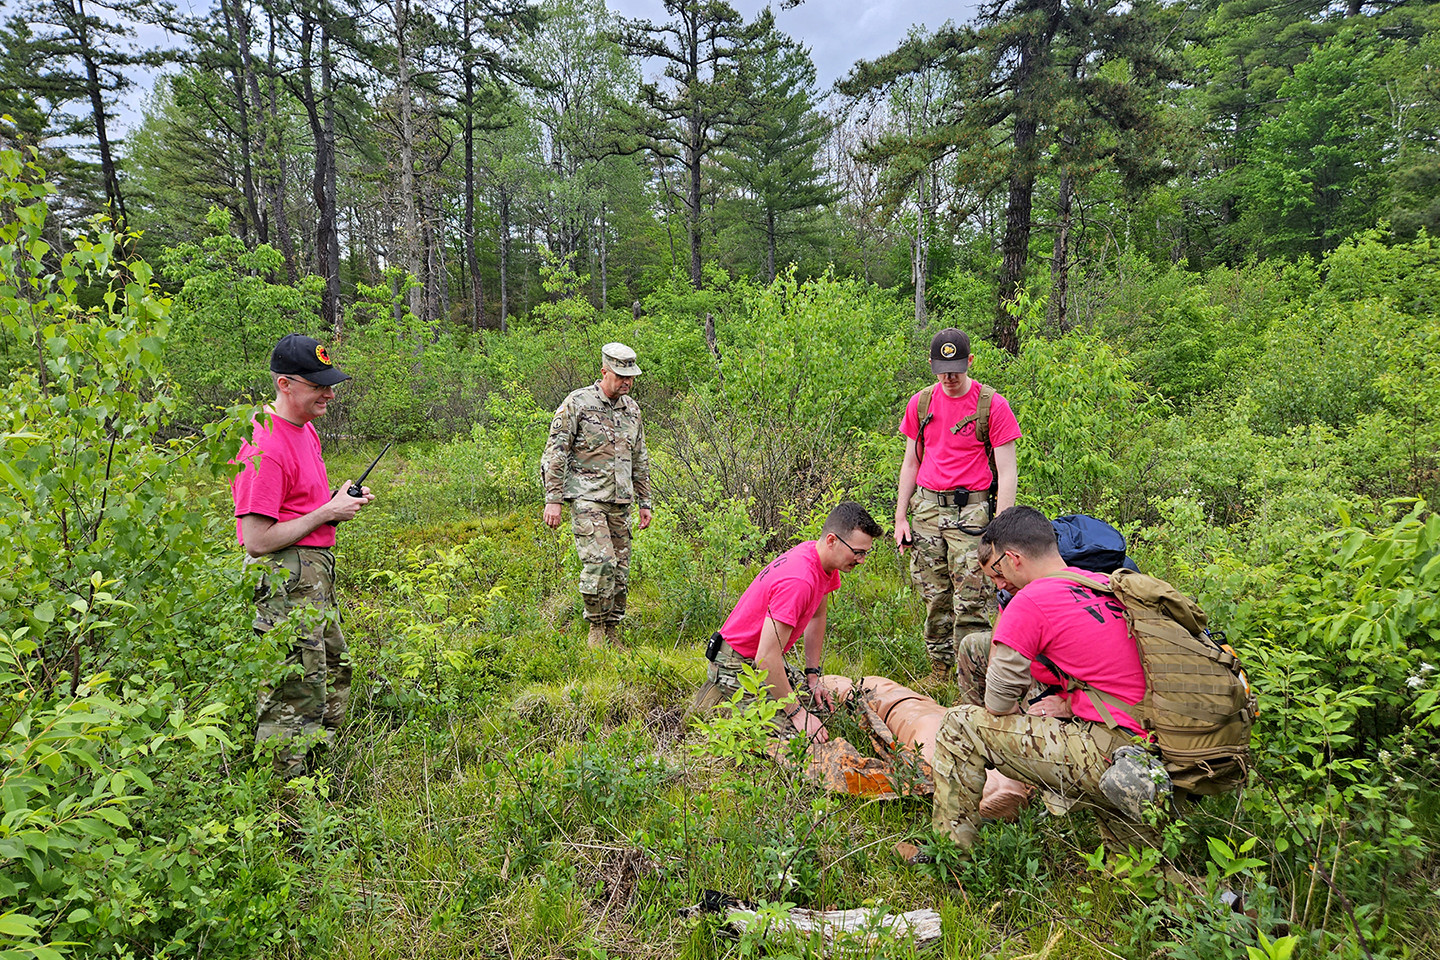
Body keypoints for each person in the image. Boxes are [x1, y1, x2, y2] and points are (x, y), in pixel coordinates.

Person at [930, 505, 1166, 852]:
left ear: (1013, 559)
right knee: (1136, 868)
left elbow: (997, 703)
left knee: (961, 725)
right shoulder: (1102, 582)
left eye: (998, 572)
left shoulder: (1029, 599)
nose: (1000, 584)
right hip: (1156, 743)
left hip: (1110, 749)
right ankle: (1203, 888)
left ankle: (951, 854)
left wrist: (1023, 725)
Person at [232, 334, 375, 780]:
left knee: (331, 669)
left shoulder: (305, 428)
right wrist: (328, 512)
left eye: (330, 384)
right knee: (293, 686)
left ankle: (318, 771)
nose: (329, 394)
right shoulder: (263, 446)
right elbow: (256, 540)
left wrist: (336, 502)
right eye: (318, 386)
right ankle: (286, 794)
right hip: (284, 578)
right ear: (285, 384)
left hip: (313, 575)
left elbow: (298, 506)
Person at [692, 502, 882, 743]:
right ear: (832, 540)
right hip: (736, 662)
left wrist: (813, 675)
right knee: (801, 741)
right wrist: (796, 713)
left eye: (865, 553)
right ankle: (720, 699)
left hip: (764, 656)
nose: (861, 560)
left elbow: (817, 616)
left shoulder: (824, 560)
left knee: (824, 710)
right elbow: (765, 658)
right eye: (858, 552)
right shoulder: (799, 580)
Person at [894, 328, 1021, 683]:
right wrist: (900, 517)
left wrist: (1000, 529)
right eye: (942, 370)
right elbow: (910, 463)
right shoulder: (921, 403)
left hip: (972, 513)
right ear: (931, 365)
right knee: (934, 595)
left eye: (956, 369)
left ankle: (973, 676)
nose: (949, 378)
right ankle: (940, 670)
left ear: (970, 363)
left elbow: (1008, 472)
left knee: (972, 598)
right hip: (926, 511)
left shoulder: (991, 405)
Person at [541, 342, 653, 647]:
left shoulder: (632, 410)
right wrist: (553, 499)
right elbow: (556, 452)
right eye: (620, 376)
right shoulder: (578, 402)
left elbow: (640, 458)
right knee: (600, 563)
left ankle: (612, 631)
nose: (626, 382)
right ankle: (596, 629)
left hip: (621, 501)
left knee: (620, 571)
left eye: (630, 377)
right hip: (588, 499)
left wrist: (645, 501)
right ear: (604, 372)